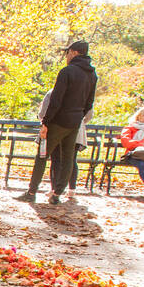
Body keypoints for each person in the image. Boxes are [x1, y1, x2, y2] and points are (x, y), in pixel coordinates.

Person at [39, 40, 96, 206]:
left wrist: (46, 122)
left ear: (74, 52)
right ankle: (59, 191)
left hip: (59, 122)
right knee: (69, 158)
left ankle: (33, 190)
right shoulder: (92, 75)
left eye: (67, 52)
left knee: (45, 155)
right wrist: (78, 117)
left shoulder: (67, 72)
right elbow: (89, 104)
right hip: (76, 123)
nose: (66, 56)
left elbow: (55, 100)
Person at [114, 105, 144, 198]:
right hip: (135, 154)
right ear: (138, 116)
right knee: (142, 164)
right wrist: (140, 145)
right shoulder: (130, 128)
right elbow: (125, 141)